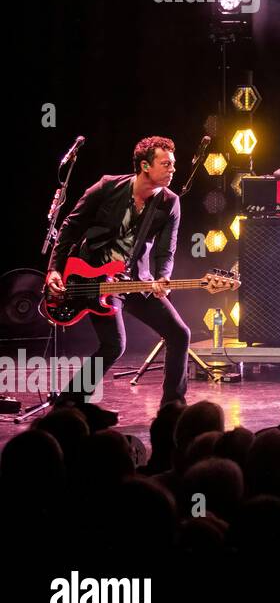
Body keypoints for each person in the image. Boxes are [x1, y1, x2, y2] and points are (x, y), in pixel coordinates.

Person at [46, 136, 191, 425]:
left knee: (180, 334)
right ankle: (70, 402)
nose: (173, 170)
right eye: (166, 164)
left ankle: (172, 409)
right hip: (94, 278)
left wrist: (164, 277)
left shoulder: (169, 202)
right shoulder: (107, 186)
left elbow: (167, 249)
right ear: (145, 166)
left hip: (134, 281)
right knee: (115, 345)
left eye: (173, 164)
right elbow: (70, 227)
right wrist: (54, 270)